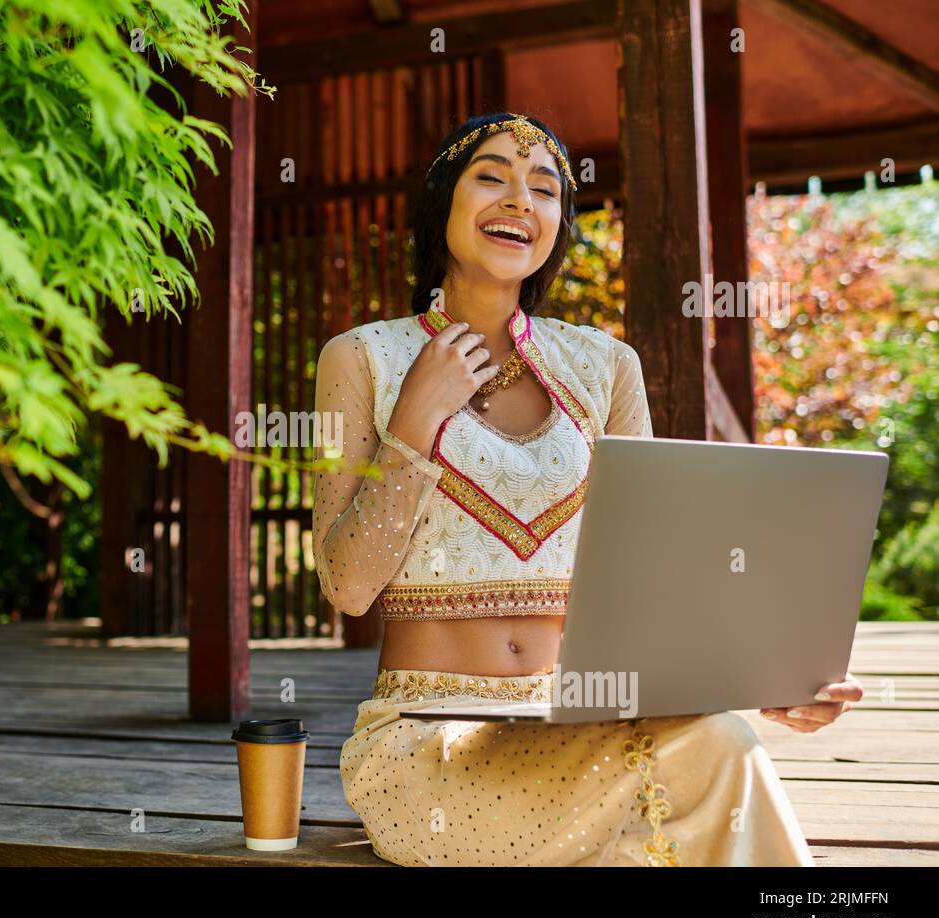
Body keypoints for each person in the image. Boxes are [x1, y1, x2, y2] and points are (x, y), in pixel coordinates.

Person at [311, 112, 863, 866]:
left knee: (723, 742)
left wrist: (767, 678)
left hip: (576, 719)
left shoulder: (604, 365)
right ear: (442, 201)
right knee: (673, 794)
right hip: (424, 739)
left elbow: (654, 576)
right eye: (492, 177)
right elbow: (346, 584)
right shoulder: (362, 358)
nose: (520, 201)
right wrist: (413, 424)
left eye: (545, 189)